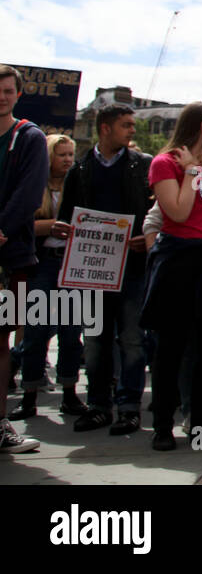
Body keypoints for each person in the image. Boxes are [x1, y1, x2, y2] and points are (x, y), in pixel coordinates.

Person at [142, 101, 202, 453]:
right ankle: (164, 426)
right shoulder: (163, 163)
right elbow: (179, 212)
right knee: (172, 346)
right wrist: (187, 173)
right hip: (179, 259)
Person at [56, 103, 153, 435]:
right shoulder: (79, 170)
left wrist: (147, 237)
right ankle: (98, 405)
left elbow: (157, 214)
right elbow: (67, 216)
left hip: (132, 269)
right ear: (105, 128)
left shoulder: (144, 166)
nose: (132, 131)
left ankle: (128, 408)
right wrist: (61, 228)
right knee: (95, 341)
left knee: (131, 340)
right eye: (126, 125)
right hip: (92, 272)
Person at [12, 134, 87, 421]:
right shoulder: (32, 187)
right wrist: (49, 227)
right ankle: (29, 395)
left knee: (71, 333)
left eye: (71, 154)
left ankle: (69, 393)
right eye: (61, 155)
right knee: (36, 331)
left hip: (72, 263)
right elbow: (18, 223)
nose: (68, 160)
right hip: (41, 262)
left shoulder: (77, 185)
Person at [0, 65, 46, 454]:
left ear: (17, 94)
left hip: (10, 256)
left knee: (1, 341)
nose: (1, 96)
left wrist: (0, 230)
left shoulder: (29, 137)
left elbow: (30, 194)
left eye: (7, 91)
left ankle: (0, 425)